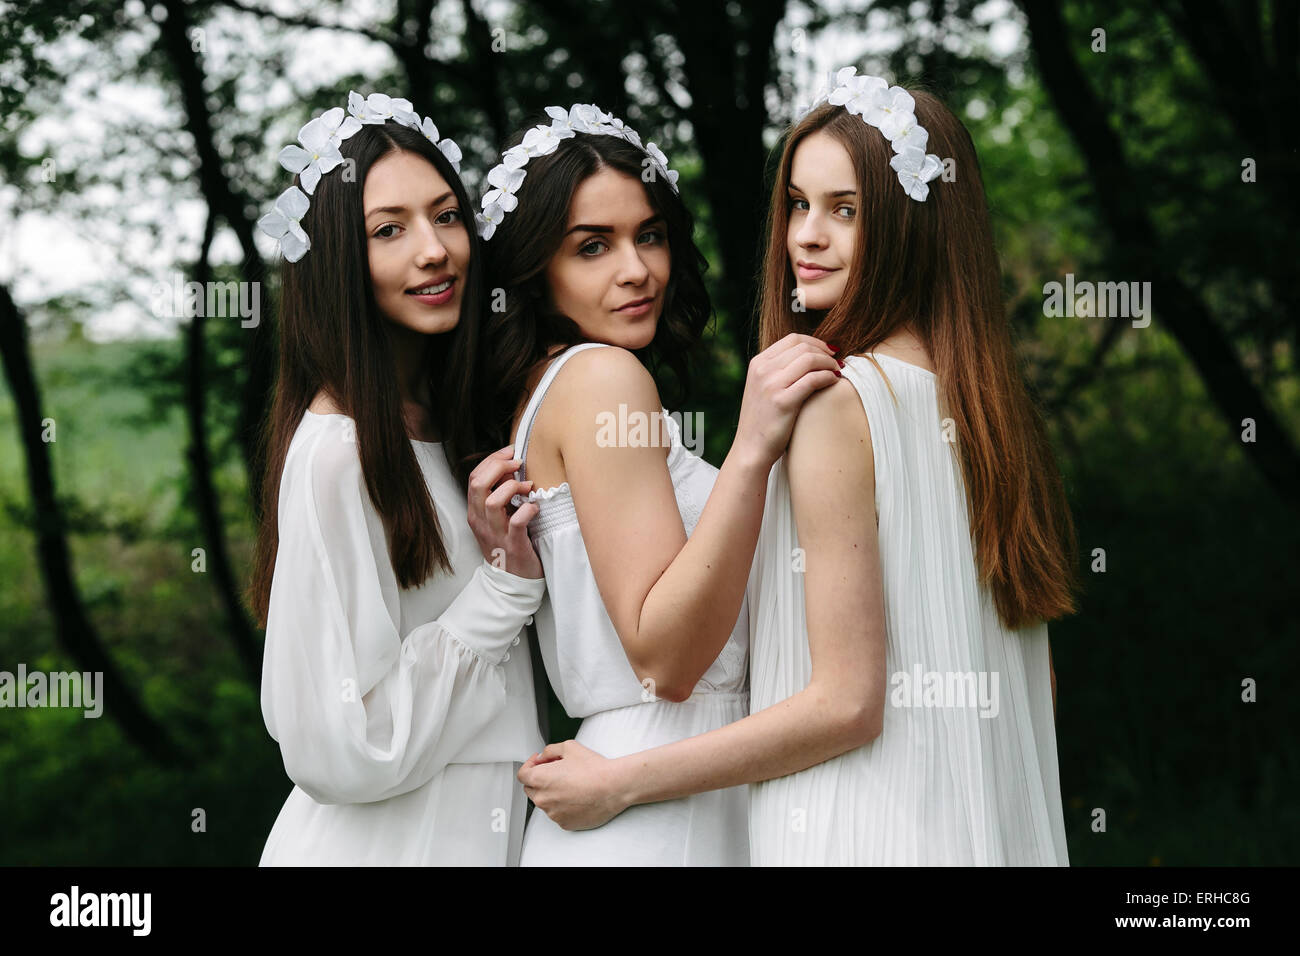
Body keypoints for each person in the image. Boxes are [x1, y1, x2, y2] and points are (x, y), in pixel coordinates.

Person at [518, 72, 1076, 866]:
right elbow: (1032, 694)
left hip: (858, 825)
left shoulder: (835, 402)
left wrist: (623, 781)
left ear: (916, 227)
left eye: (846, 210)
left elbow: (847, 703)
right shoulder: (990, 416)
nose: (806, 236)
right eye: (798, 205)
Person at [475, 104, 840, 865]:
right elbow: (667, 661)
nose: (636, 269)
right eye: (592, 247)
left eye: (648, 235)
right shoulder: (605, 380)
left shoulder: (553, 387)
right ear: (536, 273)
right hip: (653, 810)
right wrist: (750, 451)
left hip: (661, 789)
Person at [249, 92, 546, 865]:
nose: (435, 250)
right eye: (390, 230)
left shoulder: (453, 428)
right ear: (338, 265)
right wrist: (502, 591)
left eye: (447, 216)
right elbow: (342, 744)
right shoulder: (335, 454)